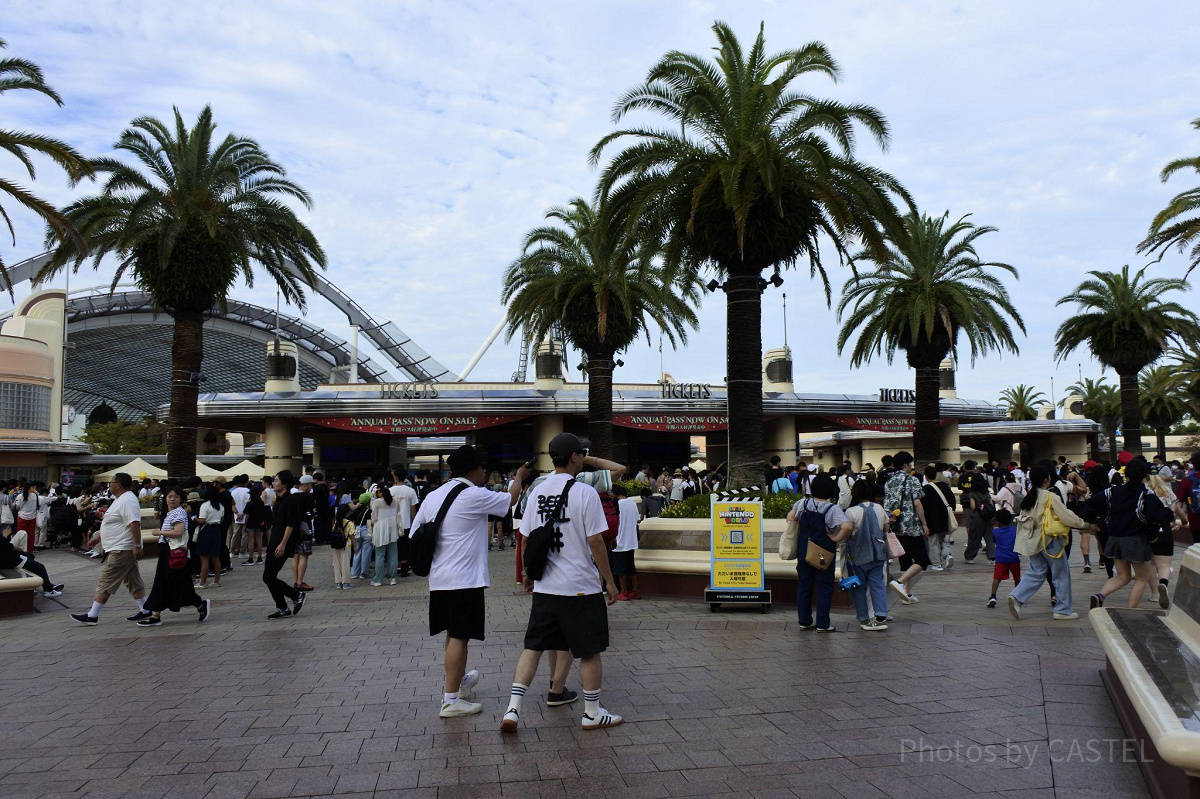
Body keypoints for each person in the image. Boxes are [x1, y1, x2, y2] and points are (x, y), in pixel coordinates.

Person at [501, 433, 621, 732]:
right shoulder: (585, 492)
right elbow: (595, 541)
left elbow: (526, 539)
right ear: (575, 457)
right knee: (589, 650)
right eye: (582, 454)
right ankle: (592, 713)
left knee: (533, 647)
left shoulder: (536, 492)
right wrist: (609, 581)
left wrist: (529, 575)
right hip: (580, 586)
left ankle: (513, 710)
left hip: (546, 588)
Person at [413, 445, 527, 718]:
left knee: (454, 635)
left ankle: (459, 685)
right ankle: (451, 700)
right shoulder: (473, 495)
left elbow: (416, 530)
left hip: (440, 578)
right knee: (460, 637)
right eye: (481, 467)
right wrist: (519, 477)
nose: (484, 471)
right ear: (472, 470)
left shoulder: (433, 495)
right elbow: (508, 501)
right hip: (464, 579)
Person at [1007, 466, 1092, 621]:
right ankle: (1063, 610)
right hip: (1051, 541)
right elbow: (1066, 516)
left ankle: (1017, 597)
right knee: (1061, 575)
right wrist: (1084, 524)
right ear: (1047, 479)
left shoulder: (1029, 497)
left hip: (1034, 542)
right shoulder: (1050, 496)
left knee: (1036, 572)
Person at [71, 473, 147, 625]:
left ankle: (92, 615)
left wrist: (137, 546)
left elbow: (134, 524)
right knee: (132, 580)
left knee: (107, 579)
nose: (109, 485)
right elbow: (114, 522)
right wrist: (99, 537)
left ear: (118, 484)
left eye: (111, 482)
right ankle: (146, 609)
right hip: (120, 546)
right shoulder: (120, 499)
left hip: (122, 547)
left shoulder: (128, 500)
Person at [788, 473, 853, 632]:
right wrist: (836, 538)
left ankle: (804, 620)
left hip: (805, 551)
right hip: (823, 552)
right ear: (831, 491)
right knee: (824, 587)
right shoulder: (832, 508)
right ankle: (823, 624)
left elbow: (790, 517)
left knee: (804, 586)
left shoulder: (803, 503)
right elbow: (848, 527)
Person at [139, 487, 209, 626]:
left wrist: (159, 532)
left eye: (175, 496)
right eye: (169, 496)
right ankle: (155, 615)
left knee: (177, 583)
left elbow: (178, 532)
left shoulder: (178, 513)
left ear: (180, 499)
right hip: (168, 552)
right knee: (163, 582)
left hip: (174, 553)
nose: (172, 499)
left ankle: (200, 604)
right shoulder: (171, 512)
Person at [884, 452, 931, 605]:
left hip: (895, 526)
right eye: (910, 464)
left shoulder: (889, 482)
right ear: (905, 464)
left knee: (905, 560)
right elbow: (917, 503)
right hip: (911, 526)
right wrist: (924, 524)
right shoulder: (912, 480)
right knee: (922, 560)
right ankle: (900, 582)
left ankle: (907, 594)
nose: (911, 467)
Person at [843, 480, 889, 631]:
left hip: (859, 556)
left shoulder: (851, 512)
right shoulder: (879, 508)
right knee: (878, 584)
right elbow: (886, 527)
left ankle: (863, 618)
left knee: (859, 587)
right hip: (878, 553)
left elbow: (847, 532)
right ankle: (881, 615)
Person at [262, 470, 306, 619]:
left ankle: (296, 595)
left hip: (282, 542)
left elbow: (291, 524)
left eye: (276, 480)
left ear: (285, 483)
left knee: (268, 577)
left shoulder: (291, 501)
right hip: (275, 541)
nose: (273, 483)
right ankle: (282, 607)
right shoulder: (279, 499)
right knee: (270, 577)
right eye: (273, 480)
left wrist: (282, 544)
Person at [0, 520, 63, 596]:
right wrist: (19, 550)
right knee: (39, 567)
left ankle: (47, 585)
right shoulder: (2, 539)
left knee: (23, 535)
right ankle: (48, 590)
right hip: (10, 561)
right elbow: (8, 547)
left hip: (8, 558)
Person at [958, 461, 995, 564]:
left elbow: (973, 506)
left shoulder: (973, 493)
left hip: (978, 516)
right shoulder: (986, 493)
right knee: (989, 537)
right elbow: (991, 504)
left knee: (974, 537)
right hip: (988, 517)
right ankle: (992, 557)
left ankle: (970, 557)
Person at [921, 464, 955, 571]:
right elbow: (952, 501)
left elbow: (923, 506)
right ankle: (947, 555)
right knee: (944, 539)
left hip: (931, 518)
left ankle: (937, 564)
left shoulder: (925, 489)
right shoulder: (944, 485)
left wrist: (923, 522)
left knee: (933, 541)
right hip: (944, 517)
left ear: (926, 476)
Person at [611, 484, 640, 600]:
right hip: (631, 540)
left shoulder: (616, 504)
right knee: (631, 566)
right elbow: (637, 519)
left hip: (619, 540)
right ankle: (635, 590)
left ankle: (623, 591)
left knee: (620, 568)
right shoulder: (632, 502)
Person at [987, 509, 1020, 608]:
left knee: (997, 578)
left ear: (998, 522)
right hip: (1014, 557)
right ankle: (1018, 595)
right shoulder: (1014, 530)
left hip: (1001, 559)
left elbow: (994, 541)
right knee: (1017, 578)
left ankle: (993, 596)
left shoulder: (996, 532)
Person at [195, 486, 225, 589]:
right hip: (216, 531)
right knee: (215, 557)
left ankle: (202, 582)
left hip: (206, 530)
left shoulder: (205, 505)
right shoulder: (221, 506)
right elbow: (222, 519)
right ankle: (216, 581)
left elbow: (202, 520)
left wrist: (194, 518)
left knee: (204, 558)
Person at [370, 484, 399, 587]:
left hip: (380, 529)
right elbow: (398, 514)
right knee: (393, 555)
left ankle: (378, 579)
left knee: (380, 555)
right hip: (393, 529)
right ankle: (392, 578)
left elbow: (374, 517)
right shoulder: (395, 501)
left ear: (380, 492)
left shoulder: (377, 502)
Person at [291, 474, 316, 592]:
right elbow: (312, 513)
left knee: (295, 556)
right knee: (304, 556)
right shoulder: (308, 497)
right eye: (310, 484)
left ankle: (296, 581)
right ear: (306, 485)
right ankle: (300, 582)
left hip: (293, 530)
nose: (311, 487)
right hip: (305, 529)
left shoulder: (292, 497)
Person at [1176, 452, 1200, 545]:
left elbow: (1177, 506)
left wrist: (1183, 520)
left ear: (1193, 465)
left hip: (1196, 523)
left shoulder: (1187, 481)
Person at [349, 492, 373, 580]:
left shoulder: (355, 510)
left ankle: (354, 572)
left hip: (357, 530)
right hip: (367, 530)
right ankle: (364, 573)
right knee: (366, 552)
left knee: (357, 551)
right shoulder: (369, 511)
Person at [229, 474, 251, 560]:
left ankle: (232, 551)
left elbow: (231, 504)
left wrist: (237, 513)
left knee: (235, 534)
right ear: (247, 481)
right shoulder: (248, 491)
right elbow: (249, 505)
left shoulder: (234, 492)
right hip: (246, 515)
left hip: (236, 516)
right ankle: (242, 552)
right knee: (244, 534)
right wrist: (243, 514)